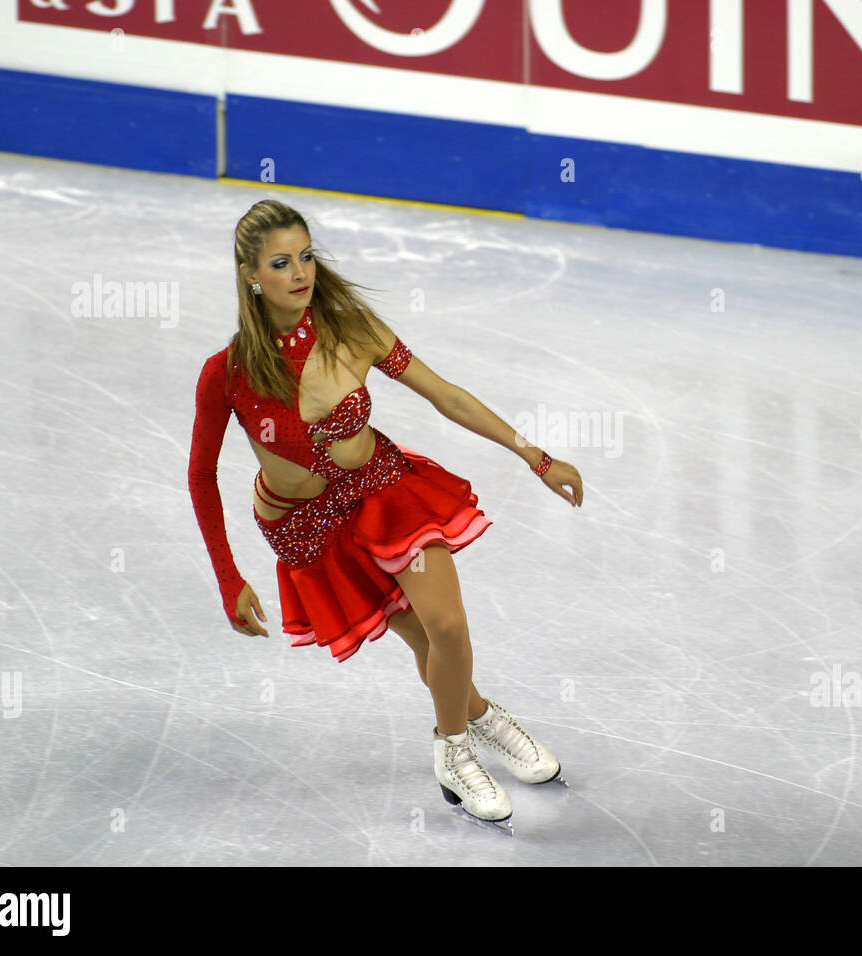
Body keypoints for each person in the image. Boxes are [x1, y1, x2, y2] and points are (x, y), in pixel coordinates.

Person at [187, 199, 584, 827]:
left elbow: (445, 395)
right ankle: (479, 717)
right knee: (426, 640)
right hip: (306, 528)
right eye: (282, 263)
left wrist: (533, 455)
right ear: (250, 276)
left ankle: (452, 750)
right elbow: (200, 475)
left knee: (448, 628)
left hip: (380, 492)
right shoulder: (227, 373)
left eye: (307, 257)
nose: (300, 273)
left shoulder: (352, 328)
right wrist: (228, 576)